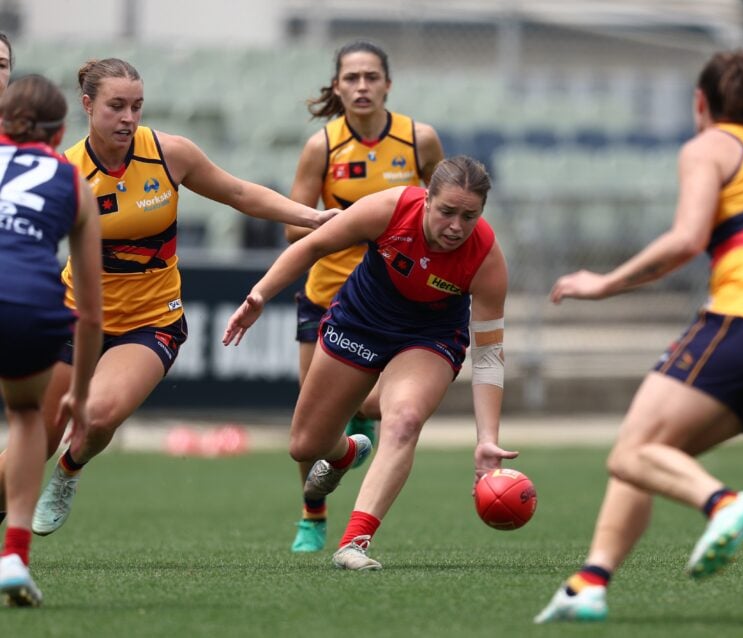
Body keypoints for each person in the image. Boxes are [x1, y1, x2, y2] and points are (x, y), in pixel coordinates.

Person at [534, 50, 743, 623]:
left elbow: (686, 239)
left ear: (700, 102)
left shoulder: (708, 147)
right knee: (651, 452)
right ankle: (589, 585)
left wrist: (604, 283)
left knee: (632, 451)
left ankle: (724, 502)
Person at [0, 57, 336, 538]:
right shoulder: (67, 171)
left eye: (136, 106)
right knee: (40, 436)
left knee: (97, 418)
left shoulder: (168, 153)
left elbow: (240, 193)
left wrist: (313, 217)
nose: (128, 118)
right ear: (87, 105)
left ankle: (69, 472)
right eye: (116, 106)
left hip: (151, 319)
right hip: (75, 315)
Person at [224, 155, 517, 570]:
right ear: (426, 200)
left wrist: (486, 437)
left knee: (405, 420)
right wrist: (259, 295)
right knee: (305, 446)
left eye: (469, 216)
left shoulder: (486, 258)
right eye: (447, 212)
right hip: (361, 320)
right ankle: (345, 453)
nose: (456, 226)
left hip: (429, 336)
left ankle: (354, 543)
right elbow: (312, 245)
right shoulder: (389, 209)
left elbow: (488, 352)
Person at [283, 40, 444, 553]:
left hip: (392, 302)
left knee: (373, 403)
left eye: (371, 77)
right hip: (326, 295)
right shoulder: (322, 147)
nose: (361, 86)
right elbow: (292, 226)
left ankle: (358, 418)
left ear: (388, 84)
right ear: (337, 86)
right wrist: (339, 223)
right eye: (351, 78)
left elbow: (446, 213)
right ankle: (312, 513)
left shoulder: (419, 141)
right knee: (310, 419)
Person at [0, 75, 102, 607]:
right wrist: (79, 395)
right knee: (24, 416)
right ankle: (14, 556)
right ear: (62, 132)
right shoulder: (73, 181)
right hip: (30, 306)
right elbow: (90, 313)